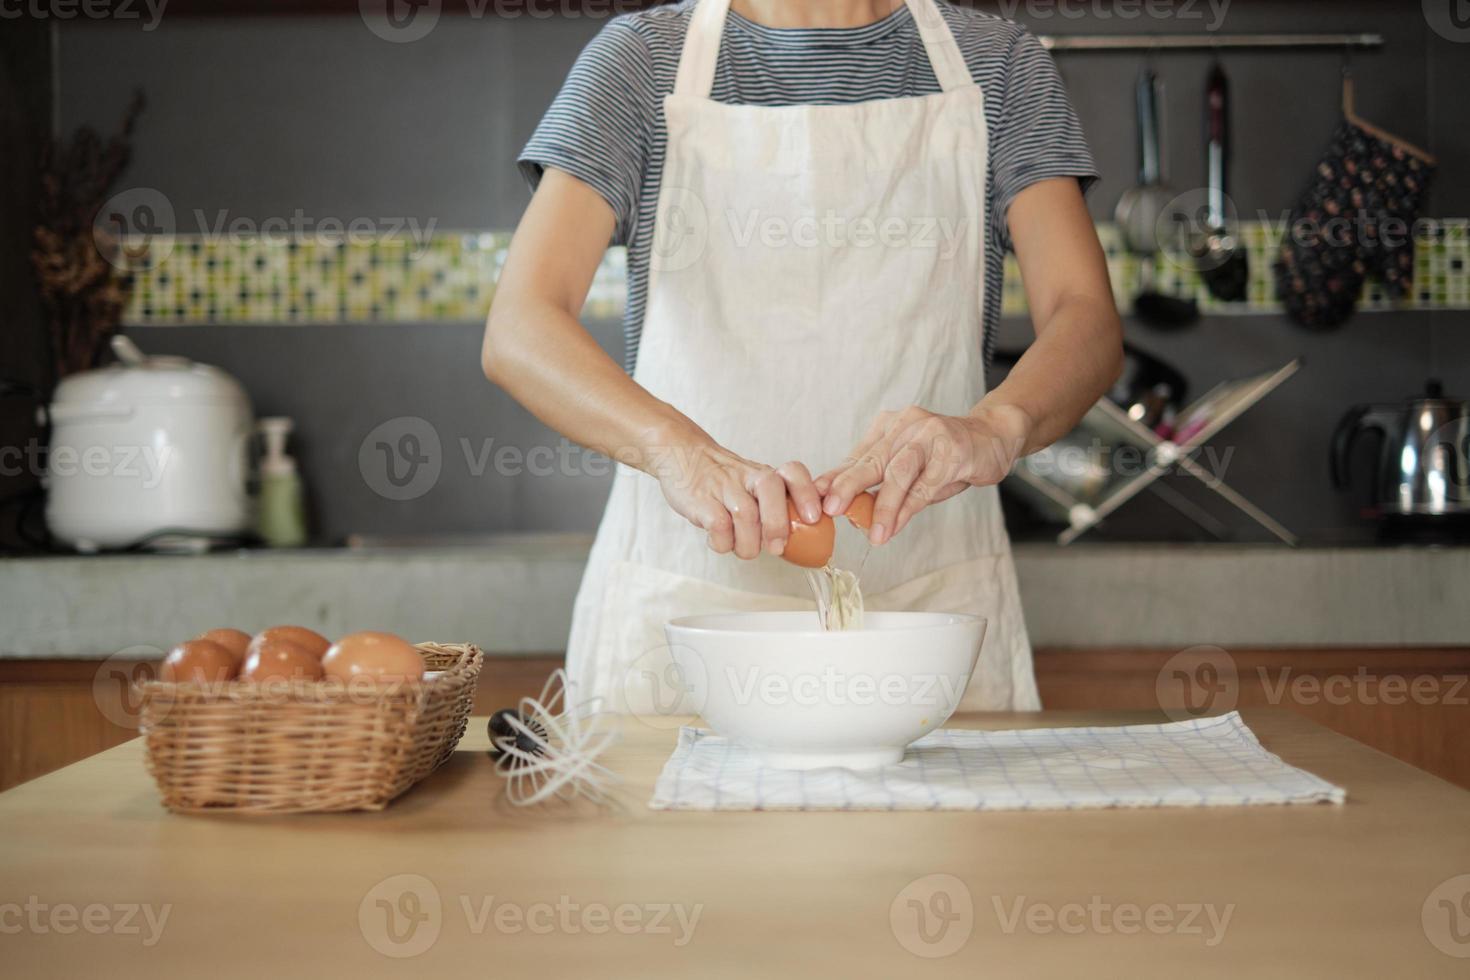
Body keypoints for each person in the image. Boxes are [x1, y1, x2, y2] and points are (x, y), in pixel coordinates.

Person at [483, 0, 1122, 712]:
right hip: (686, 611)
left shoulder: (998, 63)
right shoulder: (641, 60)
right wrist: (677, 451)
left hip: (929, 611)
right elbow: (521, 326)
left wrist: (995, 428)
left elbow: (1086, 319)